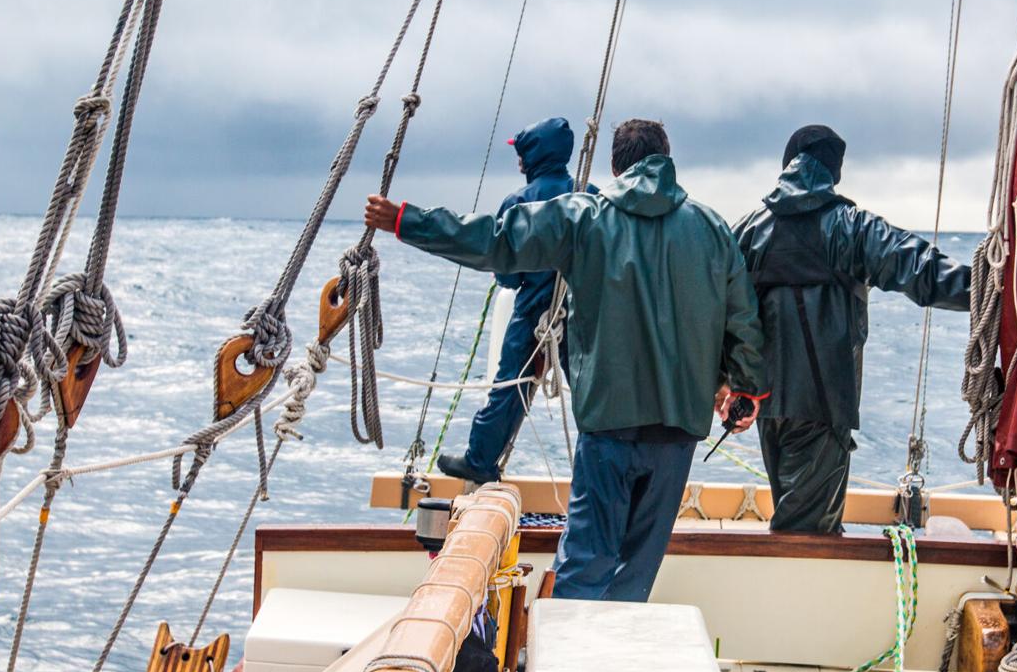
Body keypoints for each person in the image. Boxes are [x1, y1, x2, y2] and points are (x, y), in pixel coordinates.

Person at [365, 119, 766, 600]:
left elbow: (497, 239)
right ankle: (610, 664)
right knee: (637, 571)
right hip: (678, 432)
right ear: (667, 159)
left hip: (608, 427)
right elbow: (743, 319)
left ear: (615, 167)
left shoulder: (584, 218)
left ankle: (569, 665)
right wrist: (745, 390)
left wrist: (406, 220)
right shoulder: (712, 229)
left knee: (585, 564)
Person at [733, 124, 970, 535]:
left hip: (764, 406)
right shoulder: (850, 227)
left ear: (786, 165)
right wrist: (994, 285)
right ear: (833, 173)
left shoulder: (749, 229)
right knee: (808, 536)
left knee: (797, 520)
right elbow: (920, 269)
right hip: (822, 407)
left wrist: (726, 383)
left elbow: (721, 311)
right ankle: (796, 597)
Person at [435, 116, 585, 485]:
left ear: (531, 156)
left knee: (509, 387)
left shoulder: (518, 202)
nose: (518, 161)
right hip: (581, 313)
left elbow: (506, 274)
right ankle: (596, 466)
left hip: (534, 310)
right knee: (587, 393)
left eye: (521, 153)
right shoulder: (589, 194)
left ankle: (481, 459)